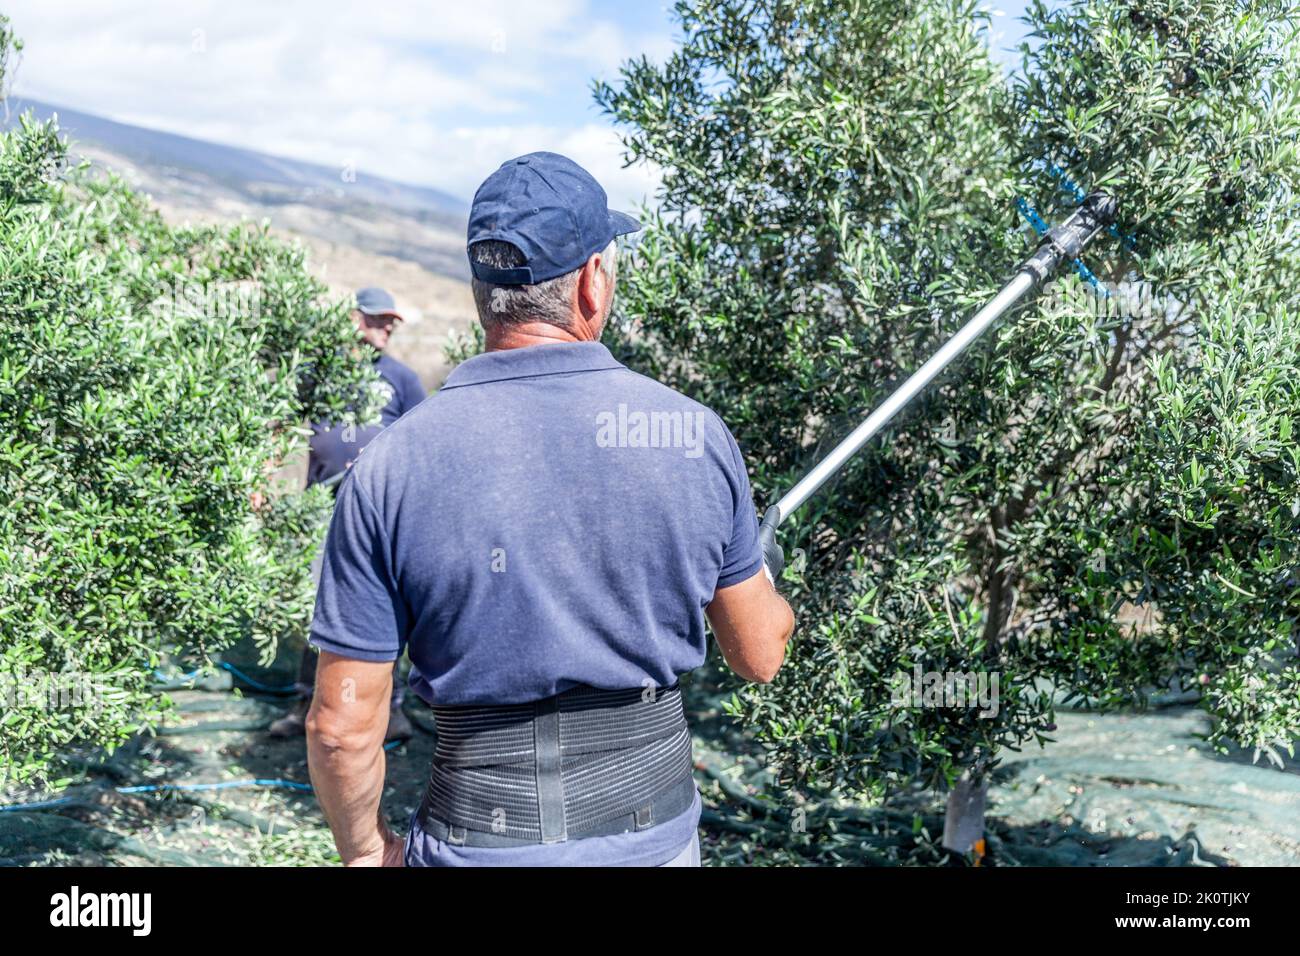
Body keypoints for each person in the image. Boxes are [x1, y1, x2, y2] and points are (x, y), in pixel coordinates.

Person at [305, 151, 795, 867]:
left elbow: (341, 728)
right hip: (653, 847)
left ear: (481, 292)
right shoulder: (693, 434)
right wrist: (766, 575)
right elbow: (759, 655)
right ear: (593, 283)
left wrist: (363, 852)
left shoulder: (392, 464)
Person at [268, 286, 426, 741]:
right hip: (323, 510)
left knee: (384, 606)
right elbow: (280, 423)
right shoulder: (318, 375)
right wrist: (262, 474)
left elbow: (421, 441)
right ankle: (305, 706)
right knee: (315, 605)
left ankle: (390, 711)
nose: (388, 327)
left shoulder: (402, 379)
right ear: (353, 319)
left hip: (382, 515)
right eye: (379, 319)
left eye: (392, 321)